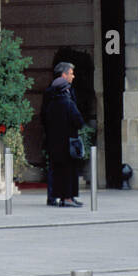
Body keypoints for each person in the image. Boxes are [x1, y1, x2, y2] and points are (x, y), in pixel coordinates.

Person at [42, 61, 84, 207]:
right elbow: (77, 119)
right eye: (71, 73)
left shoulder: (53, 92)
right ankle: (65, 197)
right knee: (64, 168)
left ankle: (56, 197)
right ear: (64, 75)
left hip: (54, 137)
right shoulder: (64, 96)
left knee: (56, 168)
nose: (73, 76)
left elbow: (44, 115)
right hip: (65, 138)